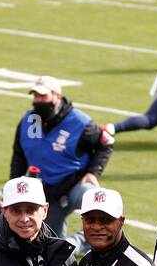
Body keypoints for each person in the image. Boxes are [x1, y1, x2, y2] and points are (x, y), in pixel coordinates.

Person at [10, 76, 114, 242]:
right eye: (35, 96)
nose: (38, 100)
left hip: (74, 183)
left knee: (96, 207)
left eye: (43, 96)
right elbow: (19, 155)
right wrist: (13, 185)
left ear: (57, 96)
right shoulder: (28, 121)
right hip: (46, 189)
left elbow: (106, 143)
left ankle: (80, 243)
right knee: (51, 241)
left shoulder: (80, 122)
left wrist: (93, 172)